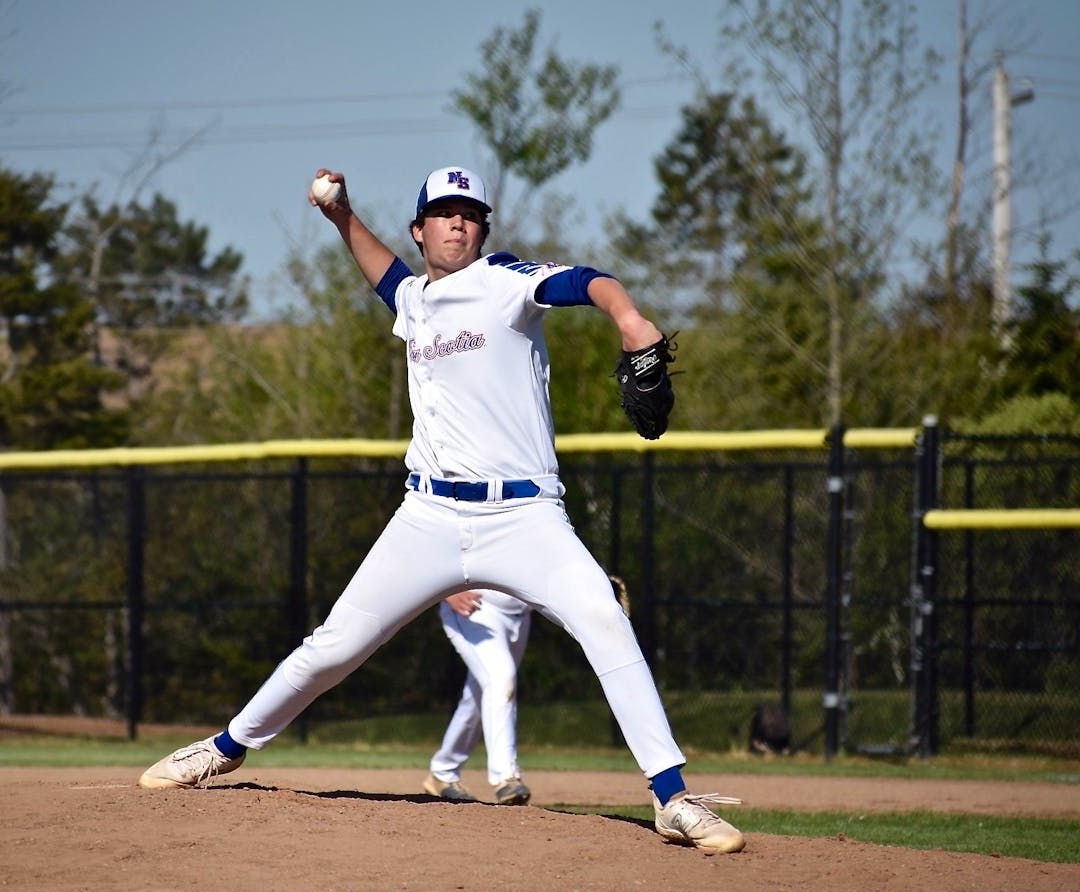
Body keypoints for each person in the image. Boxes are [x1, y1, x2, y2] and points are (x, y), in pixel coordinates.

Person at [138, 165, 745, 854]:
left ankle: (673, 799)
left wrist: (630, 317)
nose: (458, 222)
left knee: (604, 621)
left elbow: (587, 279)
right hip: (427, 518)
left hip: (525, 519)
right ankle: (224, 748)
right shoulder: (414, 300)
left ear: (483, 229)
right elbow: (382, 273)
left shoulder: (507, 282)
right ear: (420, 229)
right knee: (334, 647)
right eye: (444, 212)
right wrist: (341, 217)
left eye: (471, 213)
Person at [423, 589, 533, 806]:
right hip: (476, 607)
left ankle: (442, 773)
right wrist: (446, 591)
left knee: (482, 693)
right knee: (500, 679)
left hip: (522, 613)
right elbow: (423, 554)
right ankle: (506, 778)